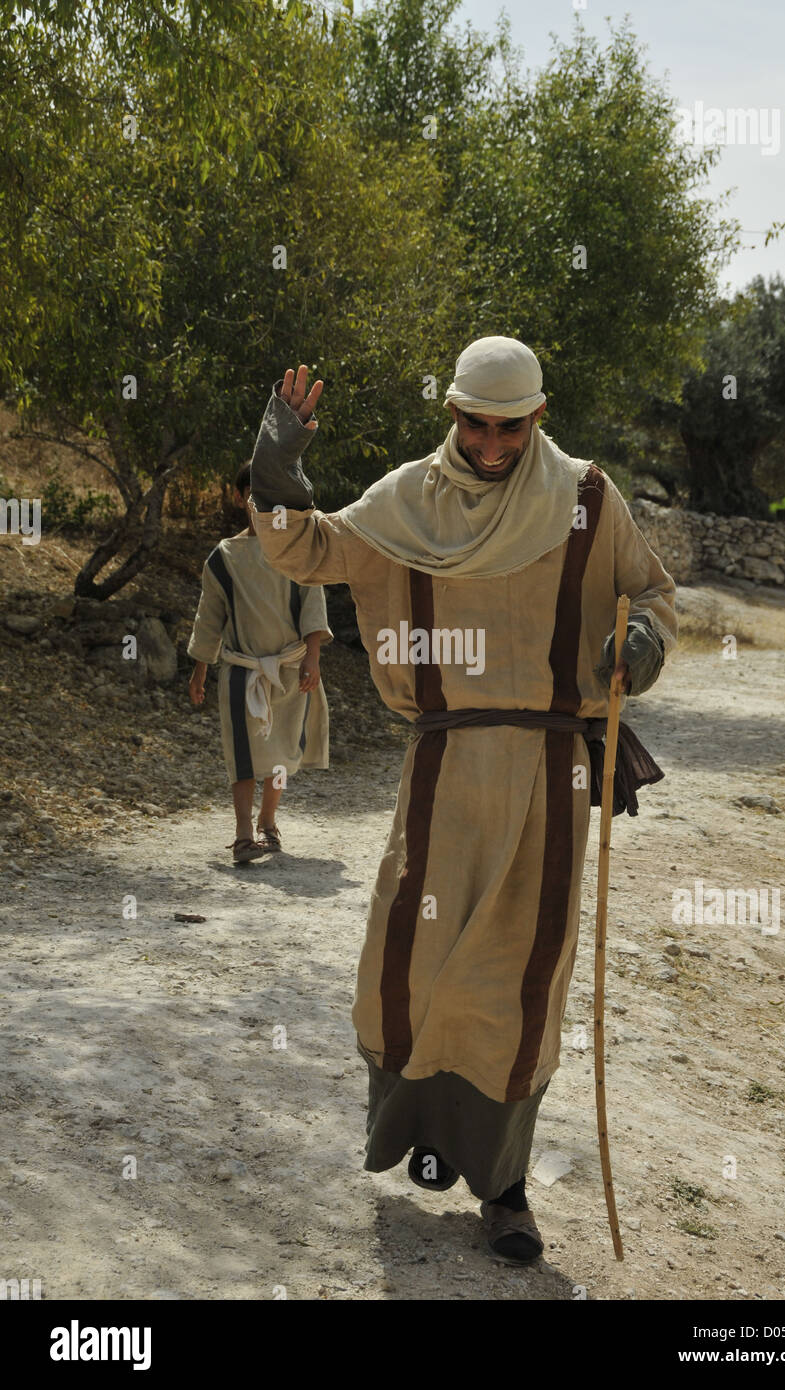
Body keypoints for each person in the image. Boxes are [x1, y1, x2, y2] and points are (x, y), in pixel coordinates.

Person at [248, 338, 677, 1263]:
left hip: (550, 776)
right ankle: (418, 1141)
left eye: (508, 426)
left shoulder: (585, 503)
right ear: (452, 413)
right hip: (441, 774)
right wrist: (277, 464)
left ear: (539, 415)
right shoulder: (407, 502)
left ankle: (507, 1190)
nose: (489, 443)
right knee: (413, 965)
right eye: (473, 423)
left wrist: (636, 642)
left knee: (519, 984)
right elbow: (309, 549)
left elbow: (650, 594)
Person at [187, 462, 332, 863]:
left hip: (289, 669)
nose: (263, 504)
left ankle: (268, 822)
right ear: (239, 498)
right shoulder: (224, 558)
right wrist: (201, 666)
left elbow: (312, 606)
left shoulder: (296, 552)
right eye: (254, 495)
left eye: (271, 497)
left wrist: (313, 659)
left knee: (282, 752)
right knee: (243, 753)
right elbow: (209, 615)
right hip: (240, 669)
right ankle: (242, 834)